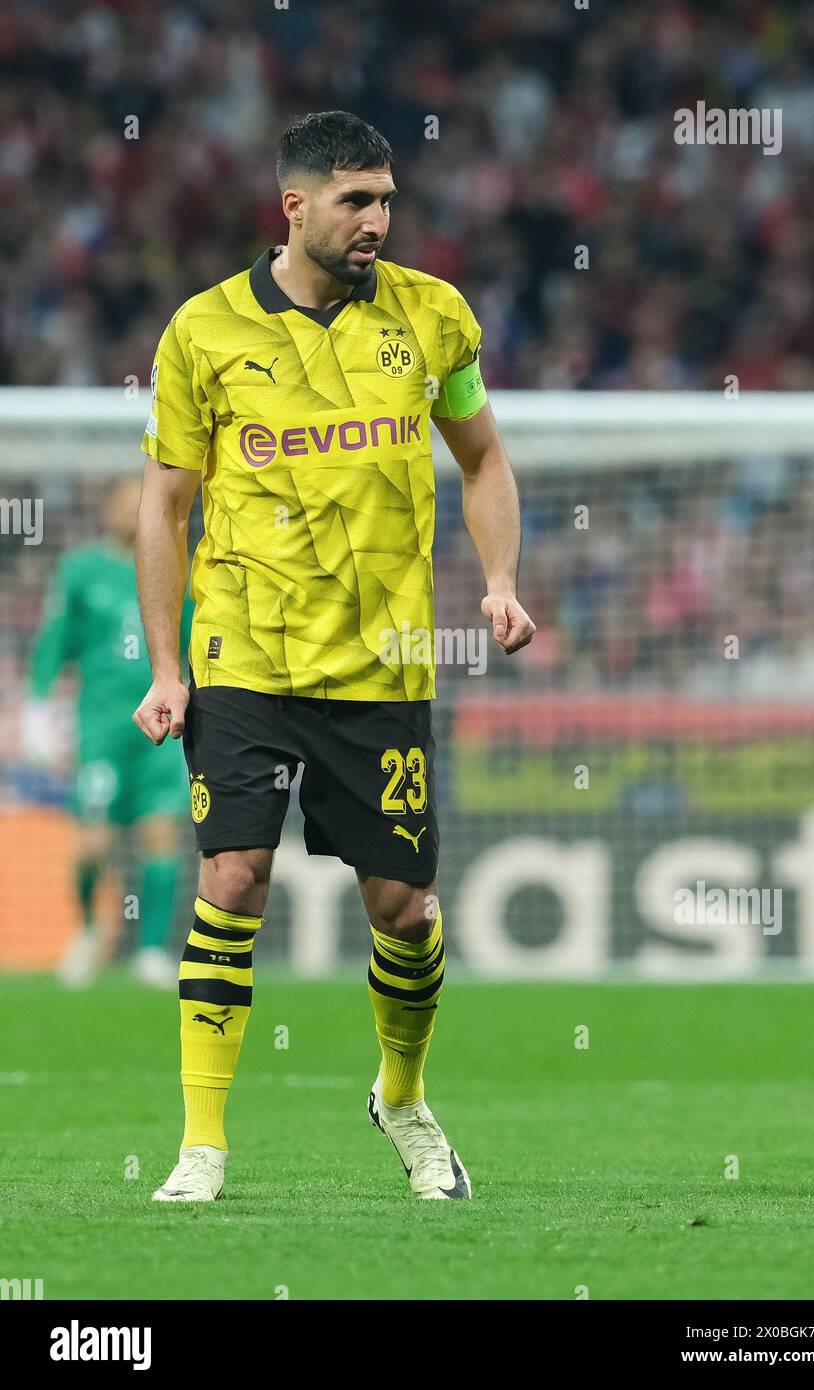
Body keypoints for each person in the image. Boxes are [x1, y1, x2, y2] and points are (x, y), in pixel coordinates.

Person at [134, 110, 535, 1202]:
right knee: (232, 877)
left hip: (384, 662)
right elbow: (164, 510)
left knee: (403, 908)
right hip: (244, 655)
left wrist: (498, 581)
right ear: (294, 206)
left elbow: (483, 456)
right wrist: (168, 669)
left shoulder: (432, 318)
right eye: (355, 200)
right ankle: (202, 1143)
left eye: (387, 198)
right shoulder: (203, 334)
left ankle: (400, 1097)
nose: (377, 220)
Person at [25, 478, 193, 988]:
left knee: (161, 832)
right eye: (123, 501)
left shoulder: (173, 566)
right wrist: (37, 706)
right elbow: (54, 641)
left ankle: (150, 951)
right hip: (99, 726)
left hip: (162, 726)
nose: (131, 510)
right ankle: (89, 930)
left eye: (139, 501)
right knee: (92, 843)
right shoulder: (83, 571)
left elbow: (192, 640)